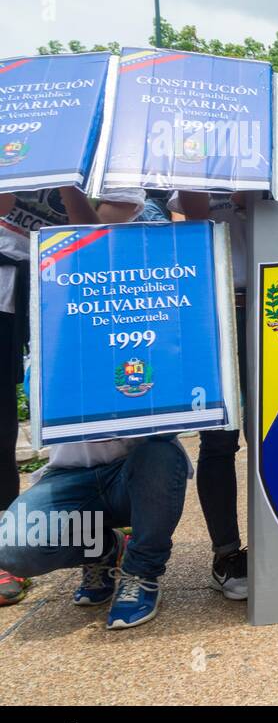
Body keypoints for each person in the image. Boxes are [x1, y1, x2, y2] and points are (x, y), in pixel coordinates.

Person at [0, 185, 143, 606]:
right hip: (9, 284)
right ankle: (92, 545)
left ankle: (136, 551)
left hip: (81, 283)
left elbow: (97, 231)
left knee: (115, 410)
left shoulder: (111, 144)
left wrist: (66, 180)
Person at [0, 435, 189, 628]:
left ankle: (140, 570)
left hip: (138, 465)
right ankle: (102, 547)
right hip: (67, 472)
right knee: (13, 549)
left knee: (162, 456)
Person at [171, 191, 248, 599]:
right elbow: (192, 218)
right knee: (218, 440)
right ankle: (227, 554)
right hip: (216, 305)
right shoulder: (197, 143)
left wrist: (249, 194)